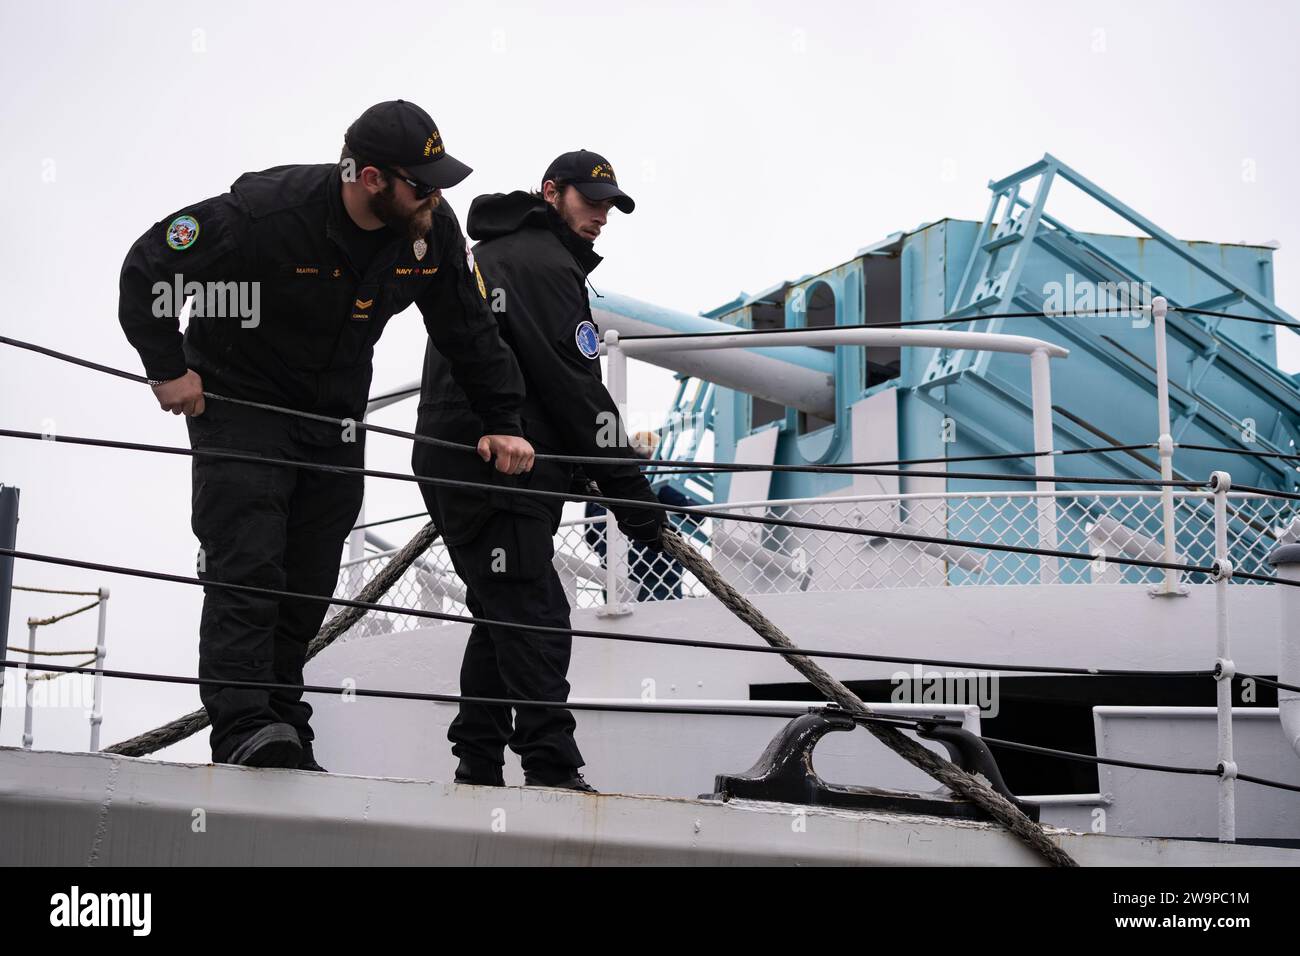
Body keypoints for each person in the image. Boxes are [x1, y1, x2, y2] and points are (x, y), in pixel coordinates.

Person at [118, 100, 534, 770]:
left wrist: (502, 421)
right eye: (422, 183)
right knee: (249, 562)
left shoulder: (430, 232)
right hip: (240, 402)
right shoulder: (264, 214)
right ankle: (245, 726)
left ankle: (281, 717)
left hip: (333, 419)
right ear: (371, 179)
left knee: (309, 578)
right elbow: (147, 267)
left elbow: (468, 329)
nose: (436, 196)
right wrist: (168, 369)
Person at [413, 150, 663, 791]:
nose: (602, 216)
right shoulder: (543, 264)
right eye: (591, 201)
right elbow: (574, 390)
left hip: (468, 460)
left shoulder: (505, 254)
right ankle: (552, 771)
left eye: (610, 205)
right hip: (495, 470)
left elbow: (539, 382)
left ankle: (478, 762)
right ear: (551, 192)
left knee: (503, 612)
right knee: (537, 616)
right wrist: (634, 500)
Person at [583, 431, 699, 601]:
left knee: (615, 625)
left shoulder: (601, 482)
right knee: (665, 621)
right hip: (657, 566)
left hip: (611, 569)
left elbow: (591, 538)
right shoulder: (655, 477)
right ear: (653, 451)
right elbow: (695, 517)